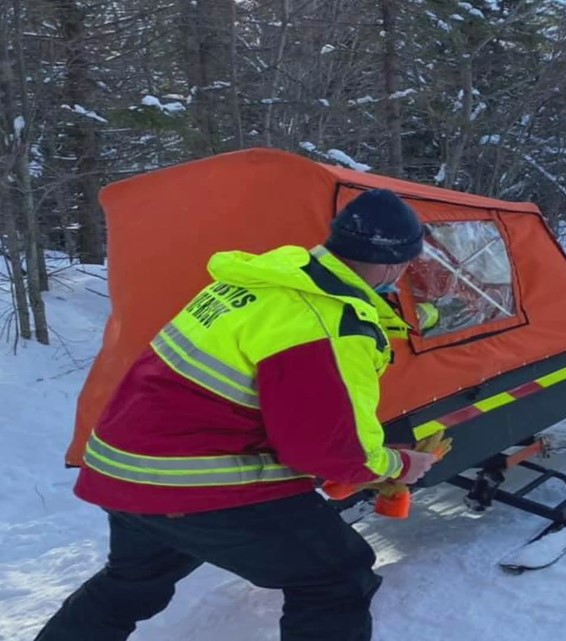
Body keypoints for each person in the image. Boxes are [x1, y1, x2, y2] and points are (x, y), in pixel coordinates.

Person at [35, 189, 441, 641]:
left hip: (126, 467)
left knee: (130, 585)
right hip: (195, 479)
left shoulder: (264, 282)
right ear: (391, 264)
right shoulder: (324, 321)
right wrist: (400, 465)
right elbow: (322, 448)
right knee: (337, 576)